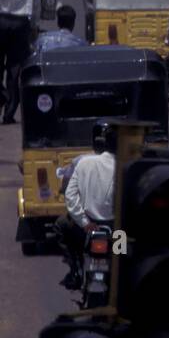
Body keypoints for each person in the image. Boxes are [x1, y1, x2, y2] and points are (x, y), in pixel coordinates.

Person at [57, 124, 117, 290]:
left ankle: (75, 270)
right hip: (118, 230)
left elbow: (70, 196)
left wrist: (84, 222)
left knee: (61, 225)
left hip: (87, 229)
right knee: (124, 255)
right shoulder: (127, 167)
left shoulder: (83, 163)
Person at [0, 0, 40, 124]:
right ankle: (9, 112)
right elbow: (36, 4)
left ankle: (3, 96)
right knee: (15, 71)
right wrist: (34, 26)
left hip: (1, 22)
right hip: (21, 24)